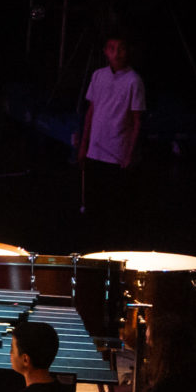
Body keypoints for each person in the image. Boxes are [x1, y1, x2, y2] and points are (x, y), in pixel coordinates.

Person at [75, 36, 147, 242]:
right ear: (106, 51)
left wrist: (130, 154)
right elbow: (91, 110)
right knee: (93, 205)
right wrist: (83, 144)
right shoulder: (98, 75)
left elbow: (137, 120)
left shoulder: (134, 80)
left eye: (121, 48)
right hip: (94, 151)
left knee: (114, 208)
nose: (117, 53)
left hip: (116, 153)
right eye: (112, 48)